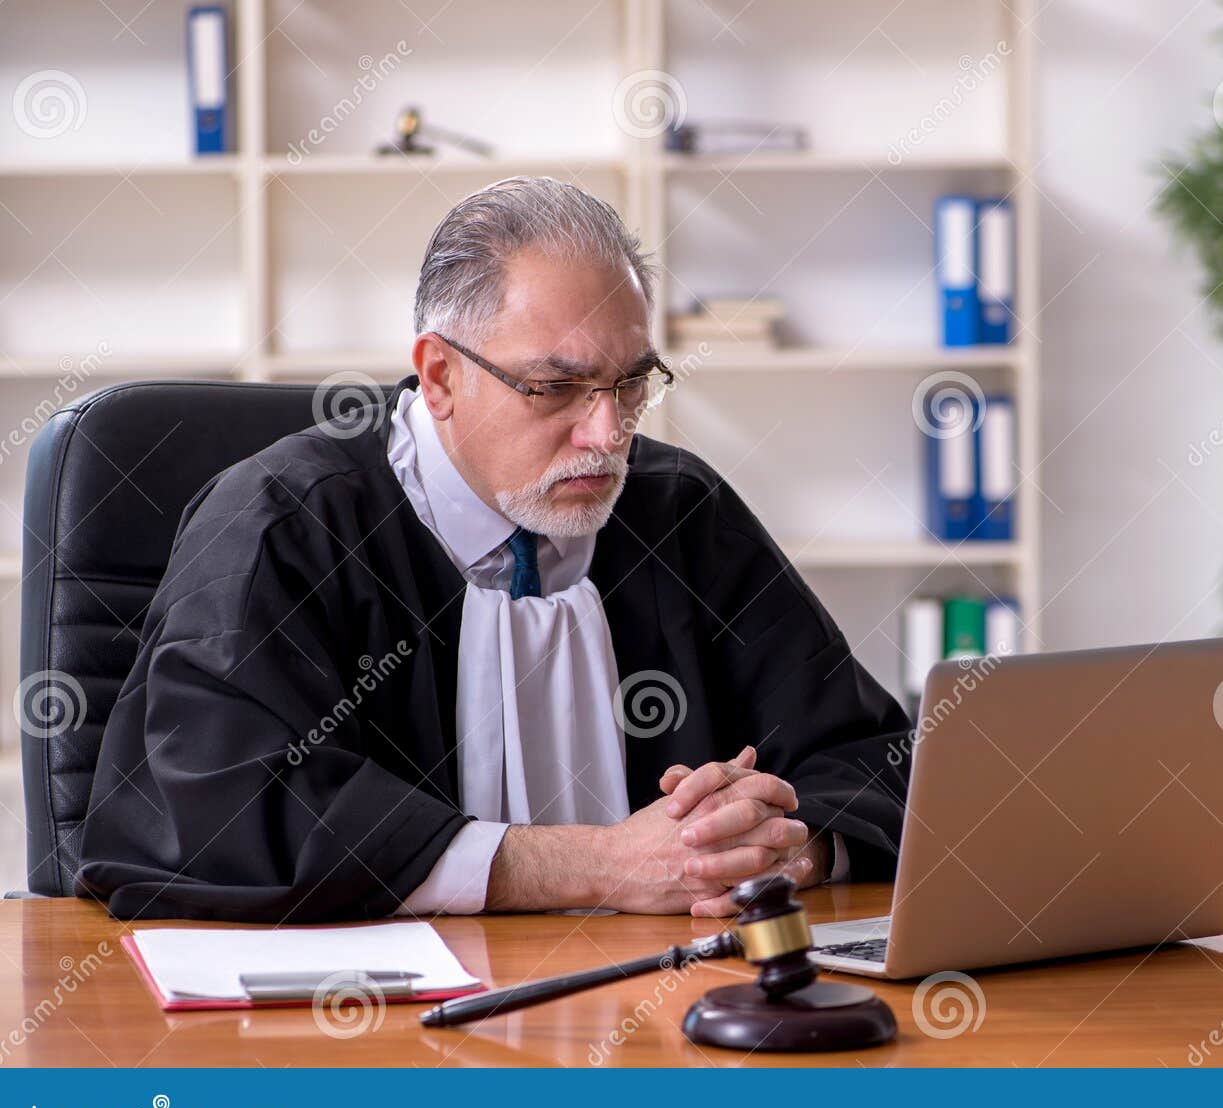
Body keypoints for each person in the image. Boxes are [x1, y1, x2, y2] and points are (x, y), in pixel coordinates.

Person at [77, 176, 910, 923]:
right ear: (439, 376)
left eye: (630, 384)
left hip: (663, 1016)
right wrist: (597, 867)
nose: (606, 433)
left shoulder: (679, 512)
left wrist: (784, 846)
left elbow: (879, 759)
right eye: (554, 388)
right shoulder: (280, 525)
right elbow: (219, 813)